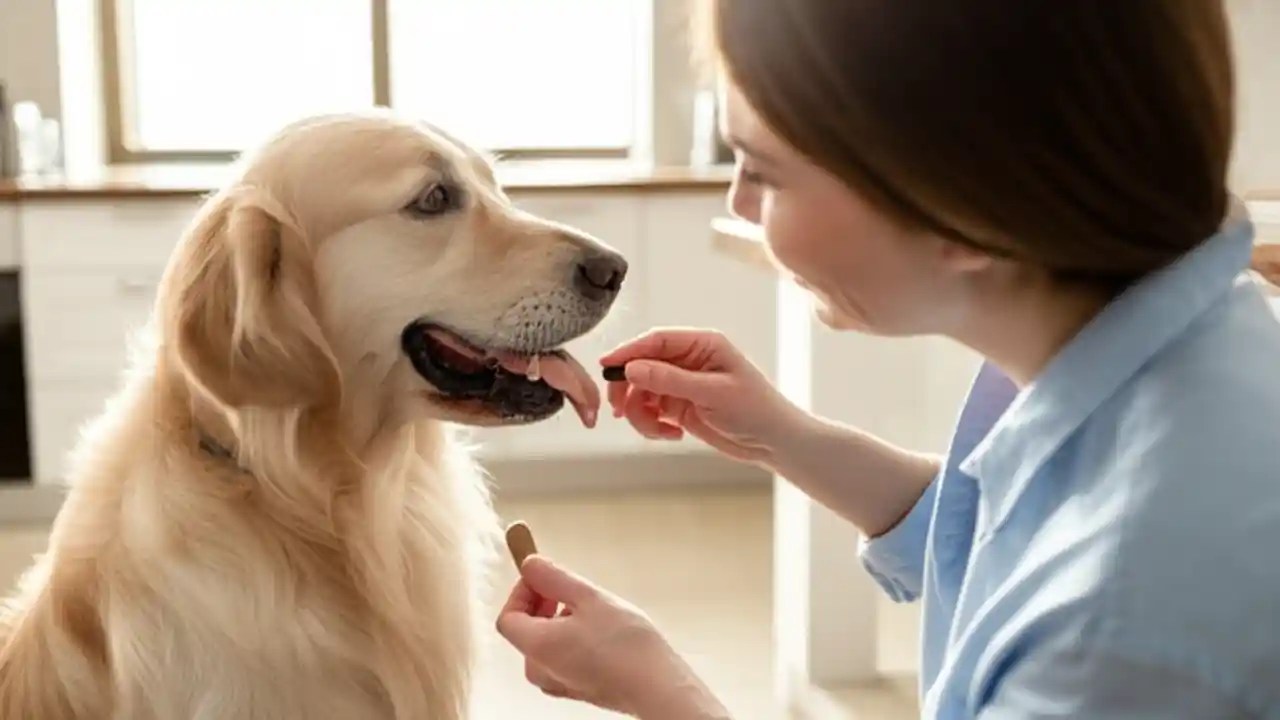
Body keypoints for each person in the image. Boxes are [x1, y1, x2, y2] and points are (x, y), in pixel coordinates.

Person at [496, 1, 1280, 718]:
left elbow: (1075, 582)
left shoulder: (1124, 634)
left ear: (963, 203)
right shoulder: (1190, 337)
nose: (738, 205)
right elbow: (1006, 533)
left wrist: (664, 696)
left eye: (763, 170)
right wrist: (784, 435)